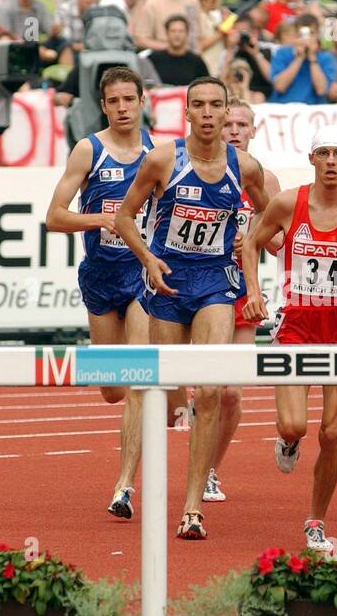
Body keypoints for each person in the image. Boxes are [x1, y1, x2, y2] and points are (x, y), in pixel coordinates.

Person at [115, 76, 270, 542]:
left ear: (227, 114)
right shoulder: (163, 159)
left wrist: (249, 241)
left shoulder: (245, 168)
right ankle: (131, 476)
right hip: (168, 281)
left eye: (214, 106)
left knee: (210, 390)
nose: (206, 113)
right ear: (187, 113)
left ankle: (192, 508)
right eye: (197, 105)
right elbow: (124, 216)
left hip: (215, 284)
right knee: (166, 393)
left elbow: (270, 213)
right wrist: (148, 258)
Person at [240, 124, 337, 550]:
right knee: (295, 425)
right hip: (298, 324)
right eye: (322, 153)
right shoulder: (289, 203)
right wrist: (253, 294)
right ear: (311, 160)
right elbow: (252, 243)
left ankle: (315, 521)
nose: (330, 161)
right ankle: (286, 440)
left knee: (330, 433)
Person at [46, 66, 164, 519]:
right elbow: (54, 217)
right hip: (99, 277)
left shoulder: (159, 152)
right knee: (111, 389)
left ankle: (124, 487)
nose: (121, 108)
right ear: (103, 105)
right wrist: (100, 219)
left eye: (128, 100)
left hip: (140, 276)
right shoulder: (88, 150)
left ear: (141, 101)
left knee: (136, 382)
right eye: (113, 101)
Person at [203, 99, 283, 507]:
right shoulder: (201, 167)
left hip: (238, 289)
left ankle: (208, 470)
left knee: (231, 392)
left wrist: (252, 234)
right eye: (228, 123)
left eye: (242, 125)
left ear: (254, 130)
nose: (234, 130)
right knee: (200, 389)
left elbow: (281, 240)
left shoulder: (263, 178)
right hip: (194, 285)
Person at [269, 14, 335, 104]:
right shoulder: (282, 53)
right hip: (284, 108)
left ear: (318, 35)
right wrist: (299, 57)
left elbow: (321, 90)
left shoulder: (325, 58)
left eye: (311, 33)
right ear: (296, 35)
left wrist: (312, 58)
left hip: (312, 110)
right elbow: (280, 87)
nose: (306, 39)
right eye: (302, 34)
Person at [147, 13, 208, 86]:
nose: (177, 35)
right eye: (173, 31)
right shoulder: (153, 59)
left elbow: (206, 86)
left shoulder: (196, 61)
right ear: (167, 33)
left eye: (181, 31)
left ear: (187, 33)